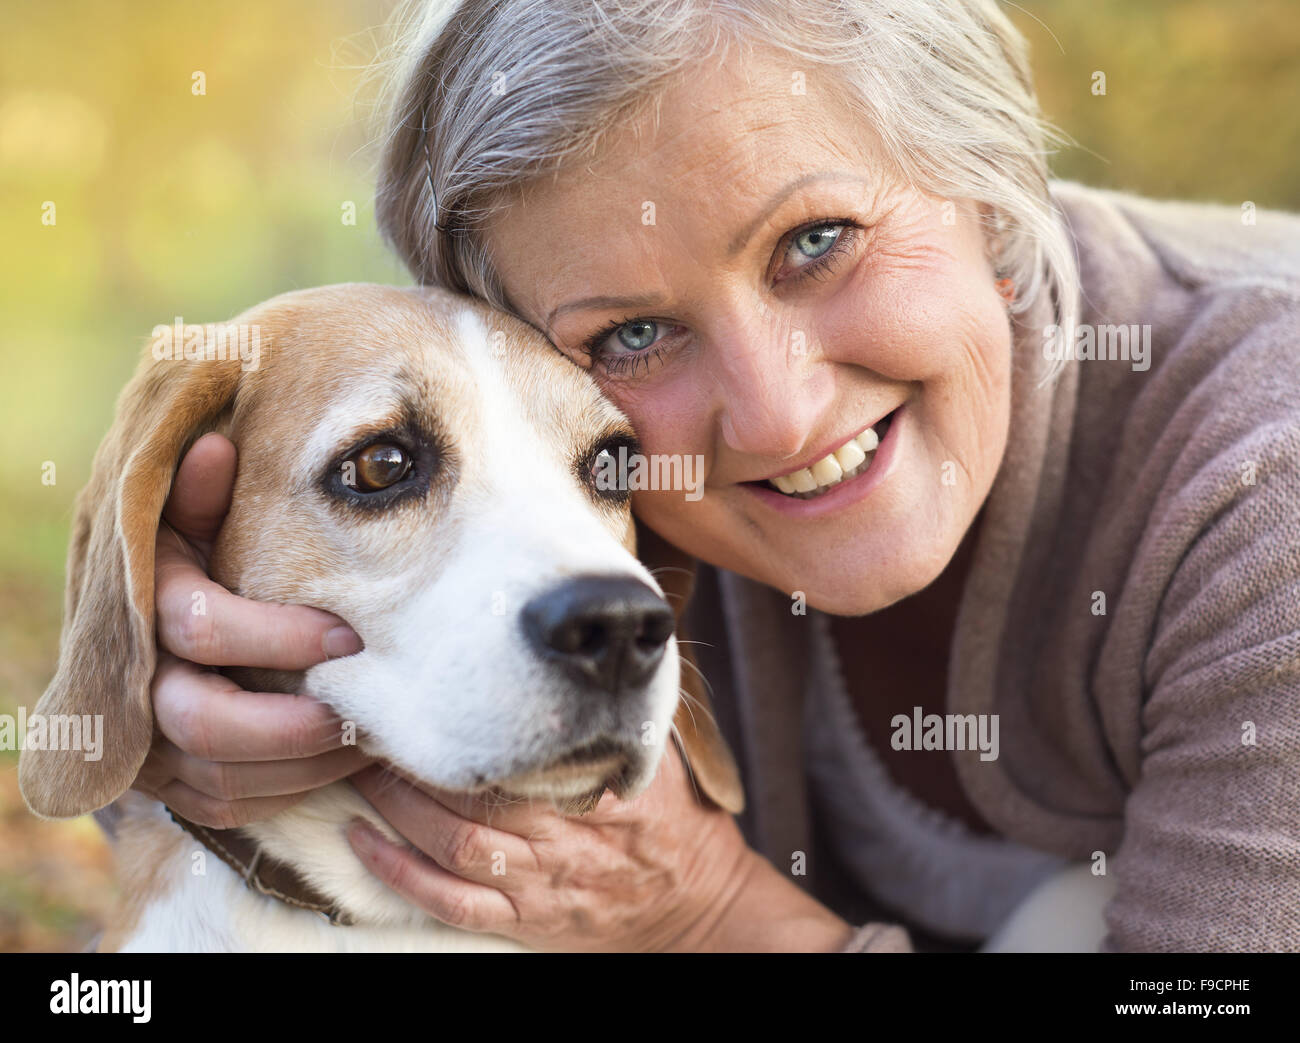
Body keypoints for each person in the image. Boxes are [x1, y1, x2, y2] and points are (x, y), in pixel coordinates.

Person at [111, 0, 1300, 951]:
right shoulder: (618, 499)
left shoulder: (1268, 477)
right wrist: (152, 671)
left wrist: (711, 915)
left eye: (815, 241)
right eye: (629, 331)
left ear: (989, 193)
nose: (775, 413)